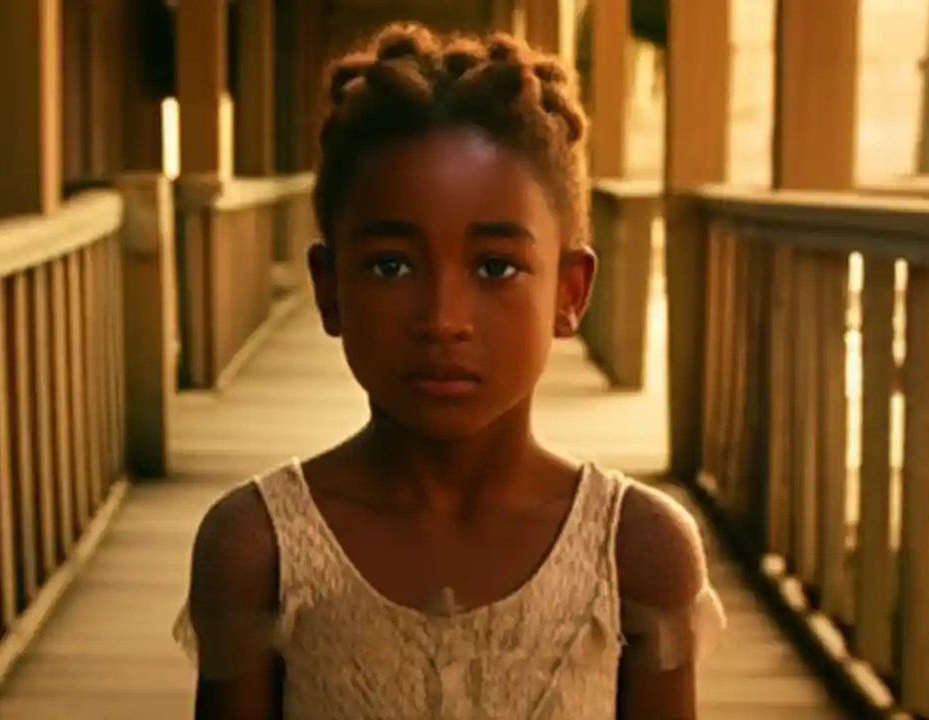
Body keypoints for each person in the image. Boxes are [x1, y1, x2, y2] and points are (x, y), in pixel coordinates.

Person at [173, 22, 725, 719]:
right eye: (391, 266)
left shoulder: (637, 551)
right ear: (329, 289)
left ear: (569, 292)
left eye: (495, 267)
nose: (442, 318)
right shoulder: (259, 549)